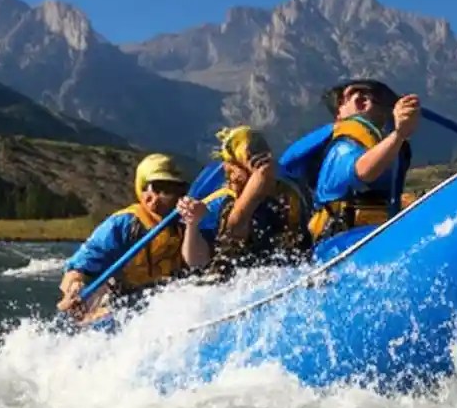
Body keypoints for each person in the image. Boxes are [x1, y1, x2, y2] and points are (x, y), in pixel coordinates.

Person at [278, 78, 420, 250]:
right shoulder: (342, 147)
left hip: (373, 239)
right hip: (342, 246)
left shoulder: (372, 145)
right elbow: (363, 170)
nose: (390, 119)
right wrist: (398, 134)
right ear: (363, 102)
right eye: (389, 110)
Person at [57, 153, 198, 319]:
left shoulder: (183, 225)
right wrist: (74, 287)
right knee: (102, 310)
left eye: (171, 190)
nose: (162, 197)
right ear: (143, 189)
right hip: (121, 299)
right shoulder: (124, 223)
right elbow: (81, 265)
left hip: (162, 296)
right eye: (156, 188)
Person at [175, 125, 311, 281]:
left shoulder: (286, 190)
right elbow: (197, 262)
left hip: (285, 271)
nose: (260, 165)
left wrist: (261, 174)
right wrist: (192, 225)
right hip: (233, 283)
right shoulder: (221, 202)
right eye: (253, 161)